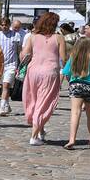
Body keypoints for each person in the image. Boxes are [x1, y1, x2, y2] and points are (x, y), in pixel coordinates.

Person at [21, 12, 67, 146]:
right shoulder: (59, 38)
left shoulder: (32, 37)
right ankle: (34, 136)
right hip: (50, 72)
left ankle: (40, 130)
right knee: (44, 102)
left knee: (33, 100)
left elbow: (24, 55)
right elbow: (64, 58)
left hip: (33, 71)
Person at [0, 17, 25, 116]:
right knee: (3, 85)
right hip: (0, 64)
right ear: (0, 25)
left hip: (11, 64)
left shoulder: (16, 36)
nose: (4, 27)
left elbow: (19, 50)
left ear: (9, 25)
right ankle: (7, 104)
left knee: (6, 85)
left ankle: (2, 107)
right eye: (2, 25)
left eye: (6, 25)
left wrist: (21, 63)